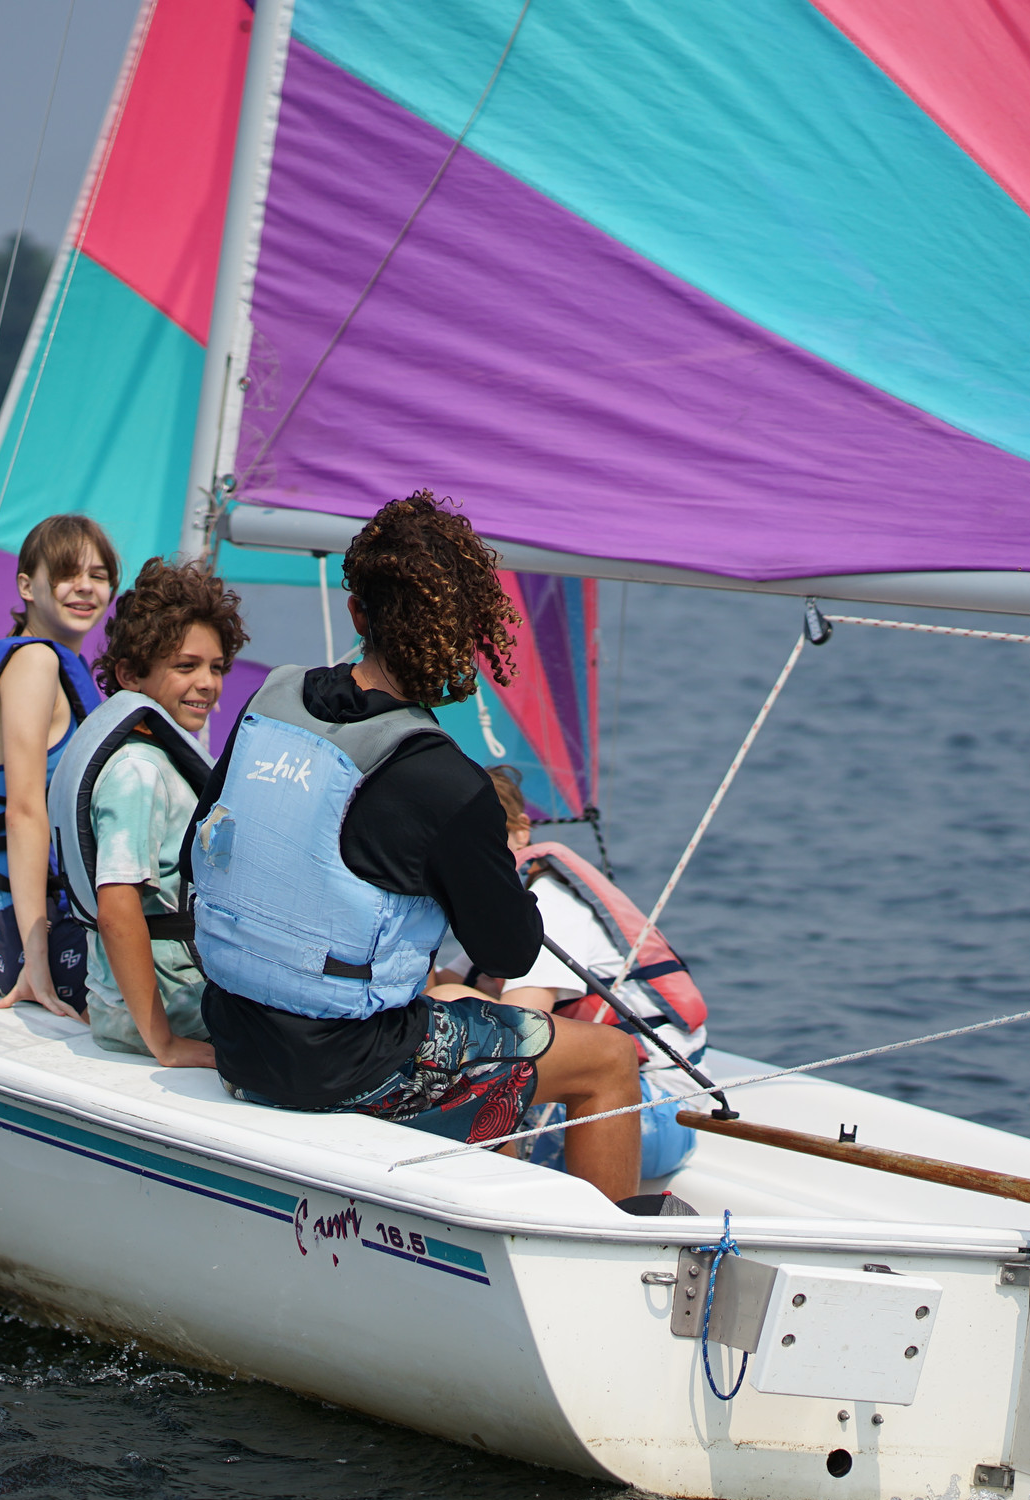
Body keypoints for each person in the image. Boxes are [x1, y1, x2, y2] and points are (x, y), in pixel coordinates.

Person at [187, 492, 649, 1205]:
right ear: (460, 635)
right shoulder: (449, 783)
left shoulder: (268, 702)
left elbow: (202, 851)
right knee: (612, 1061)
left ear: (357, 614)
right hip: (348, 1068)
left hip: (237, 1036)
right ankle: (607, 1270)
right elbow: (511, 952)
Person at [57, 558, 246, 1067]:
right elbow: (118, 908)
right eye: (186, 667)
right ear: (130, 675)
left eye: (216, 667)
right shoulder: (138, 771)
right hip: (166, 1011)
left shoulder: (155, 758)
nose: (207, 683)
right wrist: (164, 1044)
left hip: (163, 997)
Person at [0, 514, 116, 1013]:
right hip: (27, 942)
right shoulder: (37, 664)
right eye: (66, 573)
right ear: (26, 586)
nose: (84, 588)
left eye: (98, 575)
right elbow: (23, 813)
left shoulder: (23, 658)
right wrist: (35, 961)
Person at [464, 765, 709, 1067]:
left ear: (522, 830)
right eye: (460, 842)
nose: (477, 852)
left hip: (650, 1087)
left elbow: (518, 1031)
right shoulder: (494, 908)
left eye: (489, 834)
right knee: (448, 1000)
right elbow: (437, 987)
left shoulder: (549, 904)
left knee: (453, 1006)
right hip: (617, 1070)